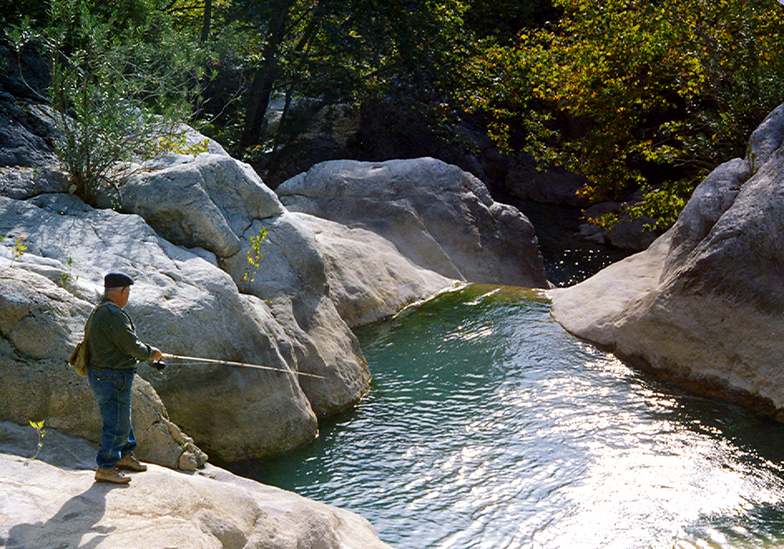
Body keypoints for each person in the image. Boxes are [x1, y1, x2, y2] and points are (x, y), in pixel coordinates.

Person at [87, 272, 163, 484]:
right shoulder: (112, 313)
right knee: (117, 422)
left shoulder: (101, 309)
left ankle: (125, 456)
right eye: (127, 292)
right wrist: (152, 353)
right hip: (112, 376)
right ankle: (106, 467)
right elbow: (131, 345)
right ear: (122, 291)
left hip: (108, 374)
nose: (127, 296)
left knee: (121, 417)